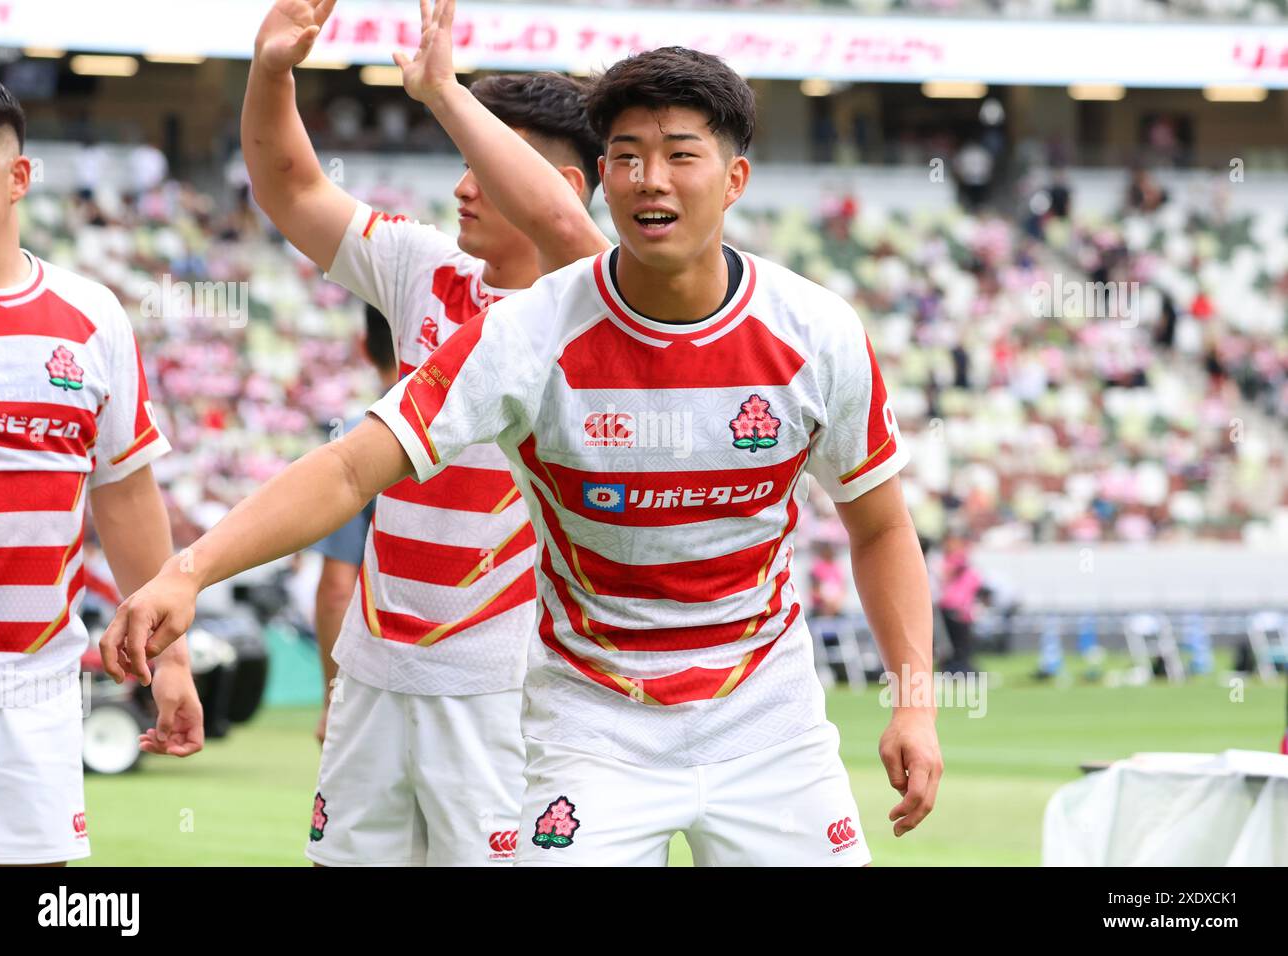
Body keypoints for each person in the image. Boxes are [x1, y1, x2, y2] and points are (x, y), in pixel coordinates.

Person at [103, 45, 942, 867]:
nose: (652, 179)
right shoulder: (527, 330)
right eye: (629, 157)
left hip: (768, 724)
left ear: (735, 179)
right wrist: (190, 569)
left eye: (680, 155)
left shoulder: (817, 332)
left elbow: (881, 530)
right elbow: (355, 466)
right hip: (591, 729)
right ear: (603, 178)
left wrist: (914, 704)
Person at [240, 0, 607, 865]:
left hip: (503, 688)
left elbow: (573, 247)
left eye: (486, 161)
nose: (462, 184)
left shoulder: (594, 311)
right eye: (463, 158)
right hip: (374, 671)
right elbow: (291, 185)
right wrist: (270, 72)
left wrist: (441, 90)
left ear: (566, 188)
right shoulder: (422, 270)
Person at [0, 80, 202, 867]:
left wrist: (171, 660)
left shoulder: (90, 318)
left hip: (32, 688)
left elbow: (125, 497)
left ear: (19, 177)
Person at [310, 304, 396, 745]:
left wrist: (332, 699)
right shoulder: (492, 430)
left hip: (378, 683)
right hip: (488, 682)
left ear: (363, 348)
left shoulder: (353, 440)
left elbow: (337, 588)